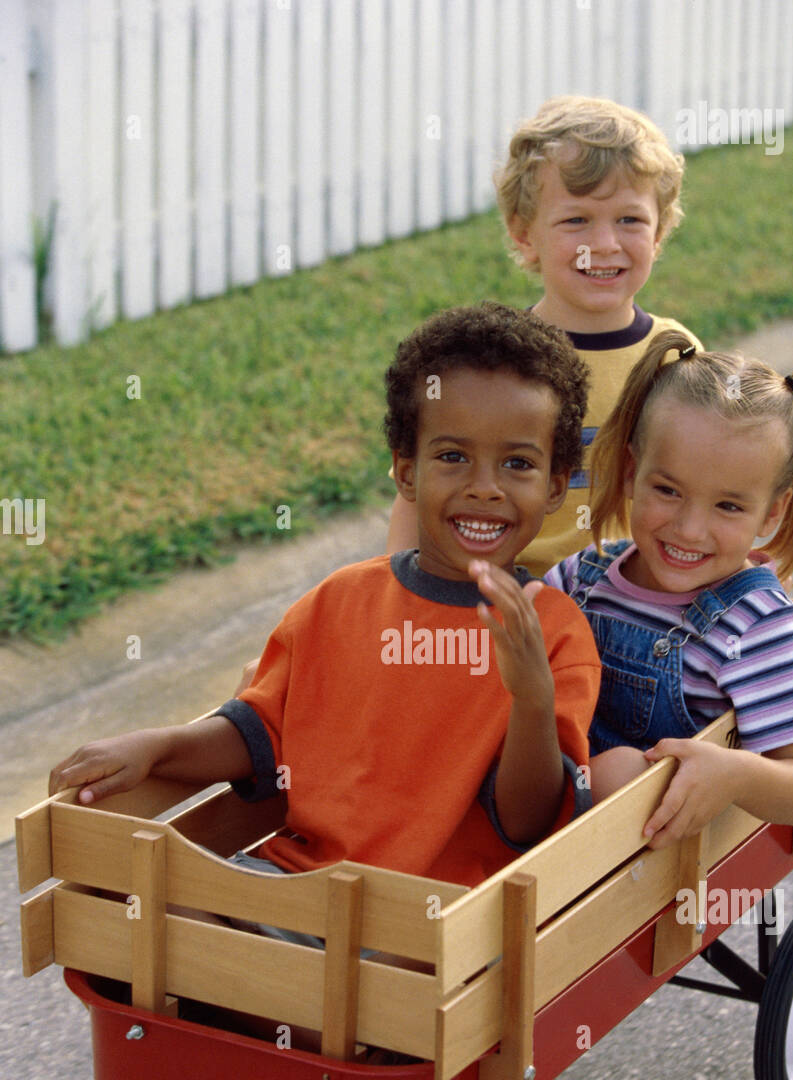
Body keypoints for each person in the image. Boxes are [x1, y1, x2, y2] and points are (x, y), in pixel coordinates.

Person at [49, 304, 602, 895]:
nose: (484, 487)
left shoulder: (553, 632)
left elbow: (530, 822)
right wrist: (154, 747)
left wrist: (530, 696)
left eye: (517, 463)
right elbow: (259, 734)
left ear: (552, 486)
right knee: (132, 901)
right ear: (406, 472)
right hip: (296, 887)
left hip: (431, 920)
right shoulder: (338, 604)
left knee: (174, 926)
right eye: (452, 456)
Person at [545, 330, 793, 850]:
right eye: (668, 491)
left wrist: (733, 772)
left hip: (644, 857)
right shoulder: (582, 575)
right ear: (634, 472)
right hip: (539, 805)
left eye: (728, 506)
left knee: (616, 772)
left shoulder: (757, 628)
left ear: (772, 512)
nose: (688, 529)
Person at [385, 95, 703, 575]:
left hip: (634, 603)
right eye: (576, 220)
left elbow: (709, 485)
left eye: (630, 220)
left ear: (659, 234)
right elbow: (418, 498)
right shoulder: (491, 361)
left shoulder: (675, 357)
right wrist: (395, 597)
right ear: (523, 233)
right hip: (504, 594)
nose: (604, 244)